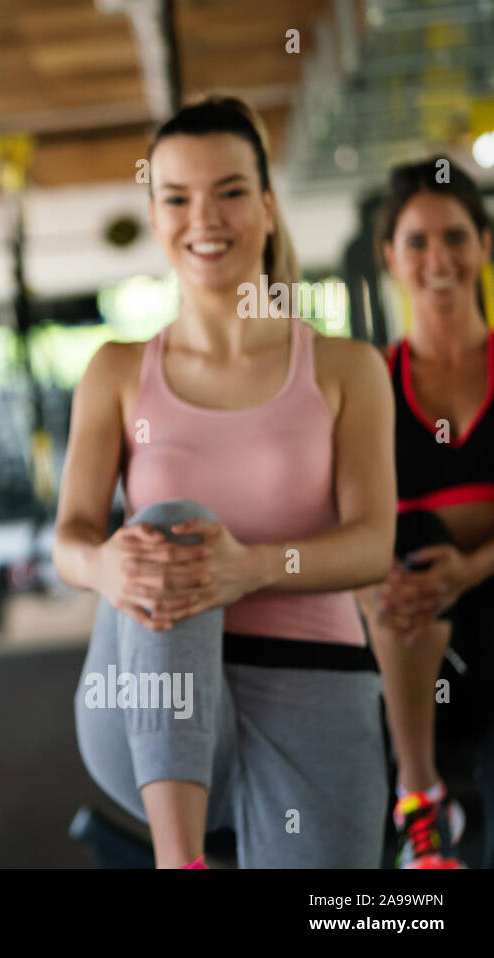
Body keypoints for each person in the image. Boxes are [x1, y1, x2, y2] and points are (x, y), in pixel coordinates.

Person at [52, 96, 395, 868]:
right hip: (148, 701)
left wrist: (250, 568)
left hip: (313, 682)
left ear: (268, 207)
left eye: (231, 191)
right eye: (177, 197)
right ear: (155, 212)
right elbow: (71, 538)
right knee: (168, 519)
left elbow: (375, 545)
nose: (204, 217)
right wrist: (104, 565)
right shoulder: (115, 370)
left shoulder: (345, 368)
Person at [357, 156, 494, 868]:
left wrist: (468, 568)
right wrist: (373, 583)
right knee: (409, 536)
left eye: (455, 236)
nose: (437, 259)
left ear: (484, 244)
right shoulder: (372, 383)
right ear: (390, 256)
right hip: (407, 637)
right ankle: (420, 797)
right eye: (416, 241)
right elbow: (343, 529)